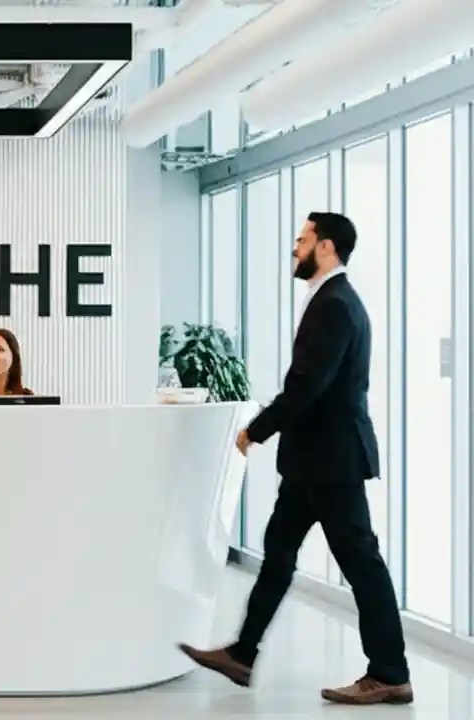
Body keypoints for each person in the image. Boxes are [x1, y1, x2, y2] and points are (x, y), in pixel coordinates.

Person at [178, 212, 411, 706]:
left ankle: (390, 672)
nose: (295, 248)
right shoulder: (329, 300)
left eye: (301, 241)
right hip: (313, 461)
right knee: (278, 552)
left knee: (361, 563)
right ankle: (242, 654)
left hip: (333, 461)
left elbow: (307, 384)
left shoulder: (336, 305)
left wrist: (255, 430)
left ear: (325, 247)